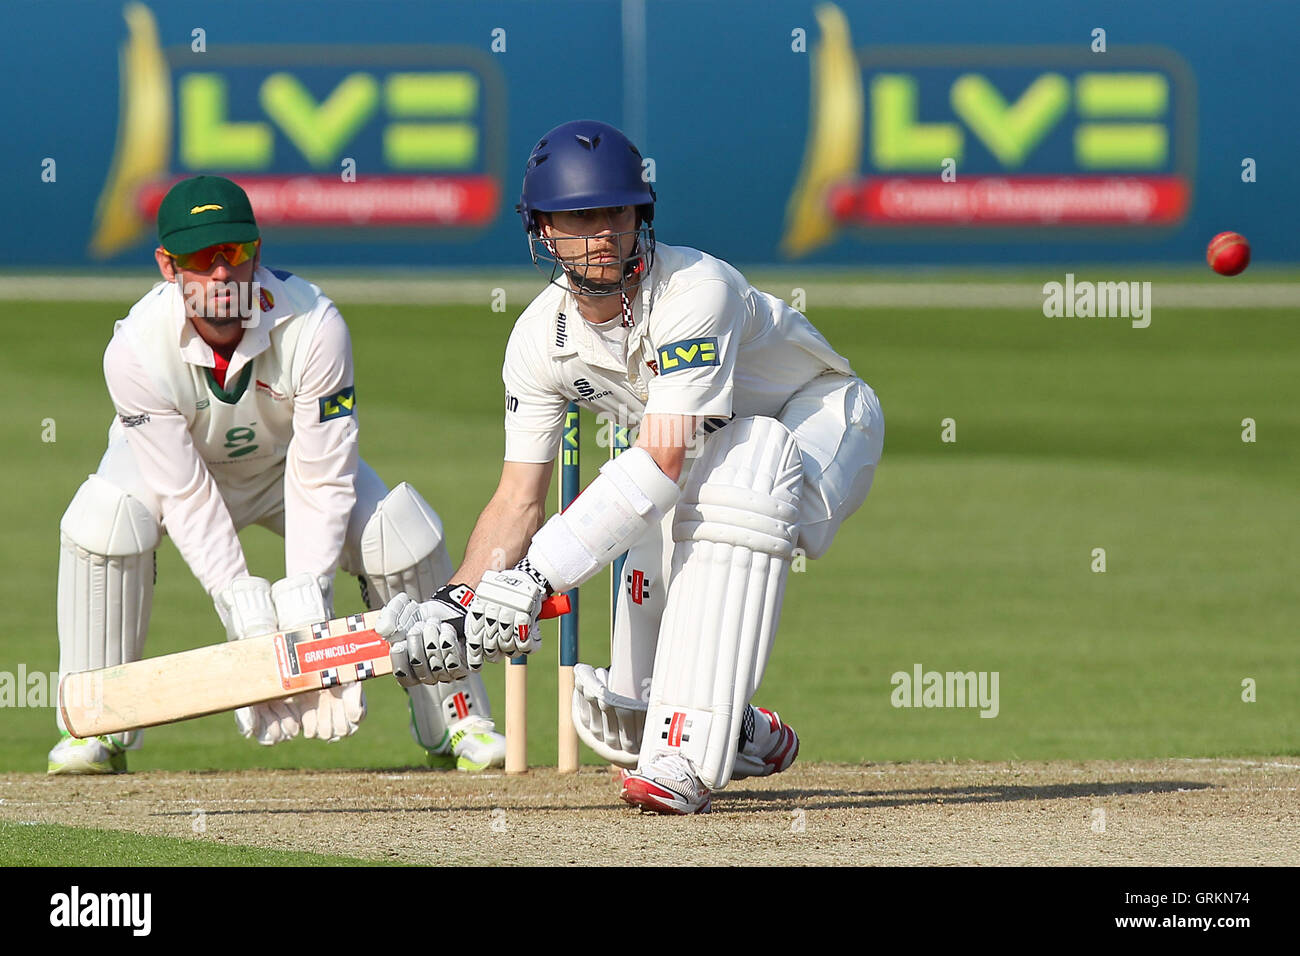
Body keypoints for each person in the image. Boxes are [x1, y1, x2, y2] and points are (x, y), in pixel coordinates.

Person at [378, 120, 884, 814]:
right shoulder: (537, 339)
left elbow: (666, 457)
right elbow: (518, 500)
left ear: (640, 215)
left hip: (822, 421)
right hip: (708, 451)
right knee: (650, 501)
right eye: (580, 217)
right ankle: (728, 724)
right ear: (542, 233)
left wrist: (535, 577)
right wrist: (458, 602)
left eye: (616, 211)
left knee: (738, 469)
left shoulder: (697, 290)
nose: (604, 232)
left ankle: (686, 755)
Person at [49, 175, 505, 774]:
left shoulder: (315, 325)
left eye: (232, 254)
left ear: (256, 254)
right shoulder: (134, 350)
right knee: (101, 525)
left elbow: (322, 476)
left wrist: (307, 616)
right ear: (167, 265)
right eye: (198, 258)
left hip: (289, 471)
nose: (218, 274)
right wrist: (244, 610)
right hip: (178, 474)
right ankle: (94, 727)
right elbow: (183, 490)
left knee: (399, 532)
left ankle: (457, 718)